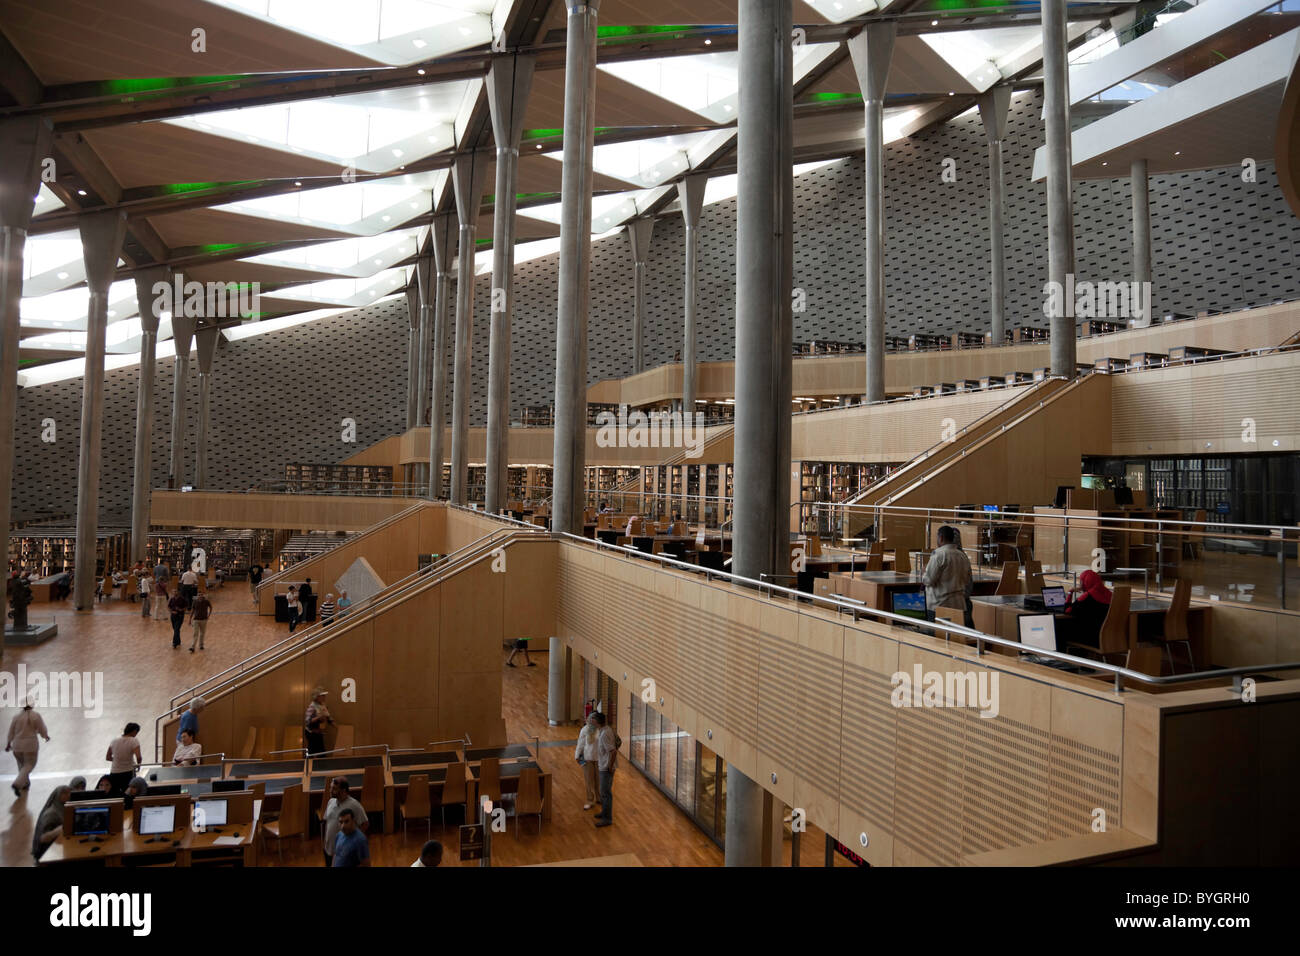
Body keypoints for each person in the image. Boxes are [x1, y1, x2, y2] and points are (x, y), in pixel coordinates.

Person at [922, 525, 973, 627]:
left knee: (937, 638)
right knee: (956, 638)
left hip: (939, 605)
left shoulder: (938, 554)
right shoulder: (963, 556)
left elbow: (928, 580)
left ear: (940, 537)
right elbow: (967, 580)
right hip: (959, 605)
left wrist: (924, 572)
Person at [6, 696, 50, 796]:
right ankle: (17, 784)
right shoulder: (35, 716)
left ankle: (25, 783)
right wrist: (45, 736)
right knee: (29, 765)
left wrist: (9, 743)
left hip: (17, 745)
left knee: (21, 766)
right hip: (30, 745)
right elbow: (42, 728)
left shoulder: (16, 717)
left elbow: (11, 732)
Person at [1060, 569, 1113, 650]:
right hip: (1109, 638)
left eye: (1081, 581)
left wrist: (1070, 592)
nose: (1079, 584)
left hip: (1091, 639)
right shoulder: (1110, 594)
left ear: (1085, 582)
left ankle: (1061, 660)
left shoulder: (1087, 596)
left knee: (1060, 628)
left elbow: (1067, 611)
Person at [321, 776, 368, 867]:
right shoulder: (330, 802)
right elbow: (328, 822)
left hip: (344, 851)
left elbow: (365, 824)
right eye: (330, 788)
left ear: (343, 790)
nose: (330, 791)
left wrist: (353, 841)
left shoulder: (354, 805)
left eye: (334, 789)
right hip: (328, 850)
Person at [32, 785, 70, 861]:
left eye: (69, 793)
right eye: (65, 793)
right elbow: (42, 838)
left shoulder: (65, 808)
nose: (68, 795)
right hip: (49, 851)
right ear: (58, 795)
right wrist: (57, 831)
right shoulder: (51, 813)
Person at [593, 711, 617, 828]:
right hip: (604, 766)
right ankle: (604, 813)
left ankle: (607, 819)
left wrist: (610, 766)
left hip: (606, 768)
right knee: (604, 793)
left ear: (597, 722)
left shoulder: (604, 735)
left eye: (593, 719)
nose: (592, 721)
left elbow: (613, 751)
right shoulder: (606, 730)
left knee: (605, 793)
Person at [105, 723, 143, 795]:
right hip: (128, 772)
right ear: (134, 731)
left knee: (115, 795)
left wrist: (117, 759)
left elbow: (108, 757)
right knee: (129, 794)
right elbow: (139, 757)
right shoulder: (134, 740)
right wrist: (138, 766)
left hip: (114, 773)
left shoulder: (114, 741)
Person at [575, 711, 600, 811]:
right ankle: (590, 800)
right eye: (591, 718)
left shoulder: (601, 730)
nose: (592, 720)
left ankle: (599, 798)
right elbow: (580, 743)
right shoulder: (584, 730)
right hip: (587, 759)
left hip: (599, 759)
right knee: (589, 781)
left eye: (594, 718)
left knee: (599, 780)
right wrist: (577, 755)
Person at [304, 688, 333, 755]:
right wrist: (319, 717)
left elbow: (328, 716)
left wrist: (332, 723)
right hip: (311, 732)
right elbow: (308, 721)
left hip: (318, 732)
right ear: (316, 697)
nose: (324, 697)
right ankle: (308, 764)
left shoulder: (322, 705)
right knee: (312, 751)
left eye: (324, 695)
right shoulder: (312, 706)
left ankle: (321, 764)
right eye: (322, 696)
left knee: (321, 752)